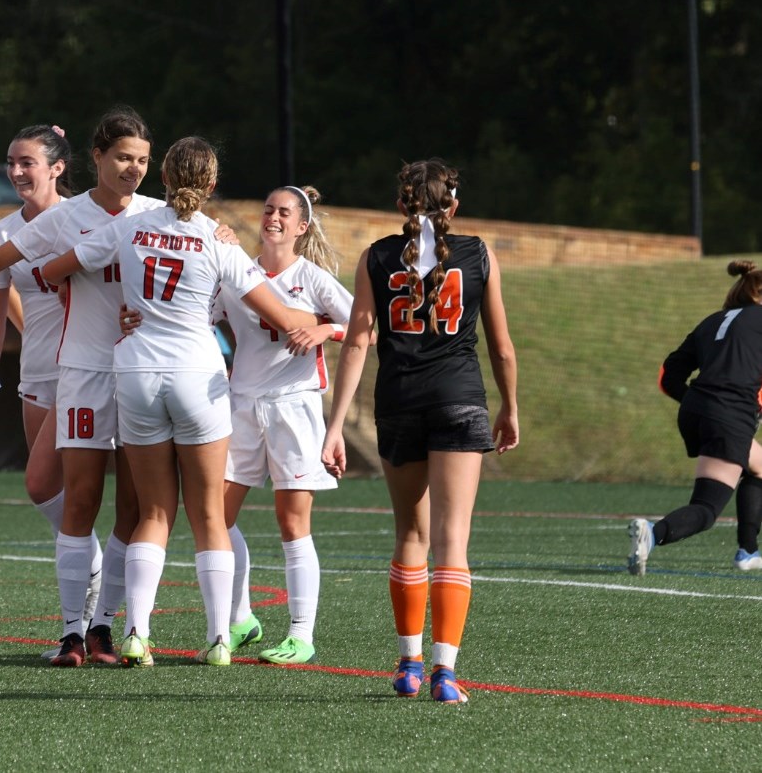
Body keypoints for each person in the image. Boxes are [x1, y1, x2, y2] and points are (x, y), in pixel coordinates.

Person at [42, 137, 319, 668]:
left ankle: (135, 634)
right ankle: (218, 641)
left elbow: (55, 271)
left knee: (152, 512)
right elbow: (284, 318)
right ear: (211, 184)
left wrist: (113, 309)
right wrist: (327, 323)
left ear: (163, 178)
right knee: (209, 514)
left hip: (136, 374)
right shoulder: (217, 239)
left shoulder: (128, 227)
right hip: (197, 376)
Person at [0, 106, 162, 667]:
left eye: (142, 160)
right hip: (80, 373)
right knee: (76, 499)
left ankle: (104, 629)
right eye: (123, 157)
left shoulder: (160, 214)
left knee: (133, 506)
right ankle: (72, 633)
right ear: (96, 157)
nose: (133, 168)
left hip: (141, 375)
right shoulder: (66, 216)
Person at [321, 159, 518, 704]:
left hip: (399, 402)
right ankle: (444, 674)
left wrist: (335, 426)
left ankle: (408, 665)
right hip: (460, 400)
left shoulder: (376, 256)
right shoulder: (479, 253)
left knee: (411, 534)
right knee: (453, 541)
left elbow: (356, 342)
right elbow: (502, 347)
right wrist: (510, 407)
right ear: (454, 204)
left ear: (400, 205)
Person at [0, 124, 92, 659]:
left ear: (57, 168)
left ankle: (97, 620)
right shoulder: (3, 236)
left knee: (54, 486)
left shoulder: (85, 216)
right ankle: (86, 613)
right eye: (11, 162)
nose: (16, 172)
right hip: (37, 375)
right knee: (49, 493)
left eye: (28, 163)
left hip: (89, 373)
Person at [214, 185, 352, 665]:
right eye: (268, 209)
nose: (273, 217)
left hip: (294, 406)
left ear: (302, 226)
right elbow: (199, 315)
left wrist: (324, 328)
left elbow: (366, 328)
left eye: (284, 213)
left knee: (292, 522)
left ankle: (300, 634)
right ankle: (241, 620)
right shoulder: (237, 269)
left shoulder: (312, 277)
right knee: (215, 515)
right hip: (240, 404)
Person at [628, 260, 762, 575]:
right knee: (706, 509)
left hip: (696, 410)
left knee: (759, 466)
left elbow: (668, 377)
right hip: (728, 414)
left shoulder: (712, 321)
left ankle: (748, 551)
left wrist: (700, 402)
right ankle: (652, 533)